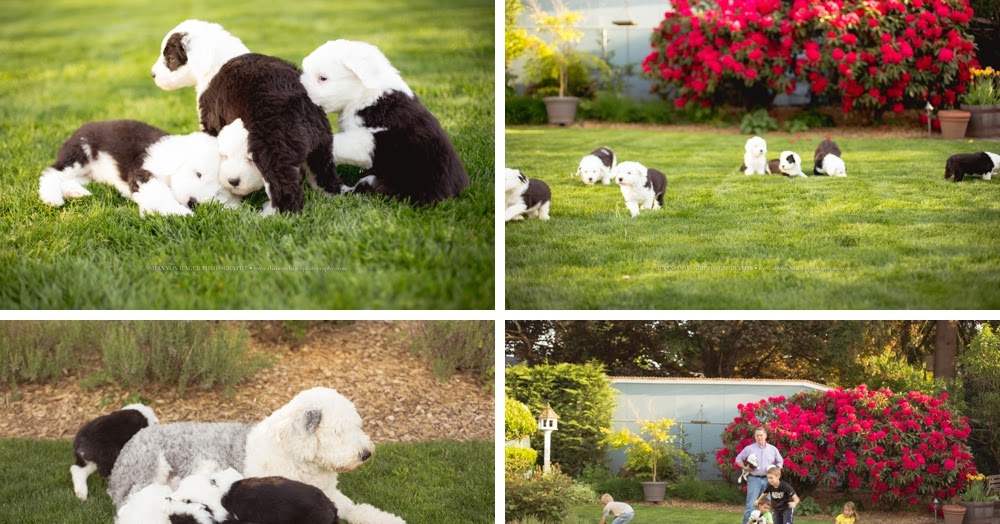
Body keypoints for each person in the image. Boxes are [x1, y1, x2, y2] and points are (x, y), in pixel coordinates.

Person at [735, 426, 784, 524]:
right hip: (754, 479)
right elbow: (738, 459)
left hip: (768, 480)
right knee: (750, 506)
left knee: (766, 506)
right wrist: (745, 467)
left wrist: (777, 472)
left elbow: (780, 461)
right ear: (755, 436)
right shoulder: (749, 448)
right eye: (757, 435)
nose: (759, 437)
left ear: (765, 436)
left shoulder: (773, 449)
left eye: (761, 435)